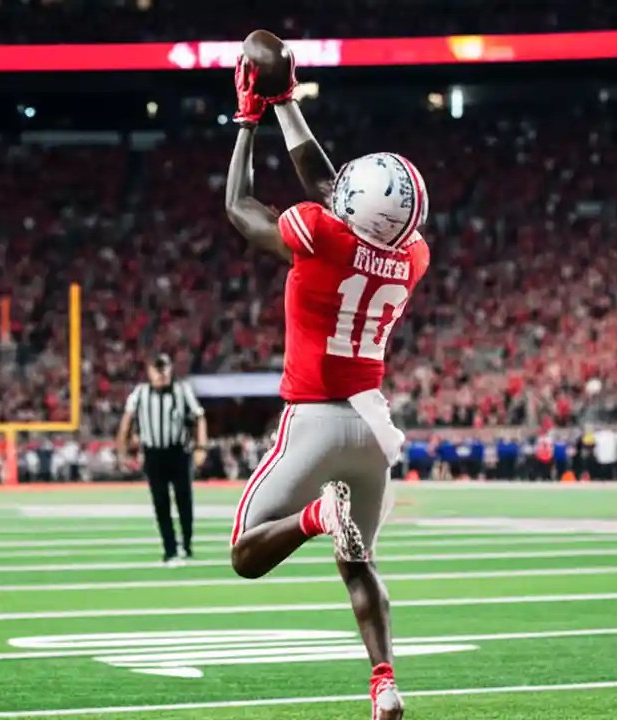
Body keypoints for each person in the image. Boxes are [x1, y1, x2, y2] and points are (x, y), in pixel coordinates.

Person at [223, 50, 430, 720]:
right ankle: (385, 683)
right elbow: (334, 187)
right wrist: (289, 103)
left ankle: (317, 516)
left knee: (245, 553)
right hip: (371, 428)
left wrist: (250, 117)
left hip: (312, 422)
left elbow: (239, 207)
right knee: (358, 563)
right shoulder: (411, 255)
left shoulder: (316, 234)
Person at [116, 354, 208, 566]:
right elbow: (126, 422)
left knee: (184, 499)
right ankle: (169, 548)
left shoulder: (182, 389)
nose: (161, 374)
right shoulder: (140, 393)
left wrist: (201, 447)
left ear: (170, 369)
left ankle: (186, 543)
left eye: (164, 369)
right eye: (157, 370)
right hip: (153, 454)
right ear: (149, 372)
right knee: (161, 502)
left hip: (179, 452)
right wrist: (123, 450)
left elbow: (199, 416)